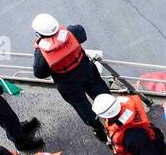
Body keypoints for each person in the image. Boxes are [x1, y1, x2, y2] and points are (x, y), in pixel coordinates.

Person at [30, 13, 108, 141]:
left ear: (38, 34)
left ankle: (97, 127)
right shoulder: (72, 32)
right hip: (85, 69)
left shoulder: (41, 53)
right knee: (99, 90)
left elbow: (39, 73)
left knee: (81, 104)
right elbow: (82, 33)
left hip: (67, 82)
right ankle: (112, 114)